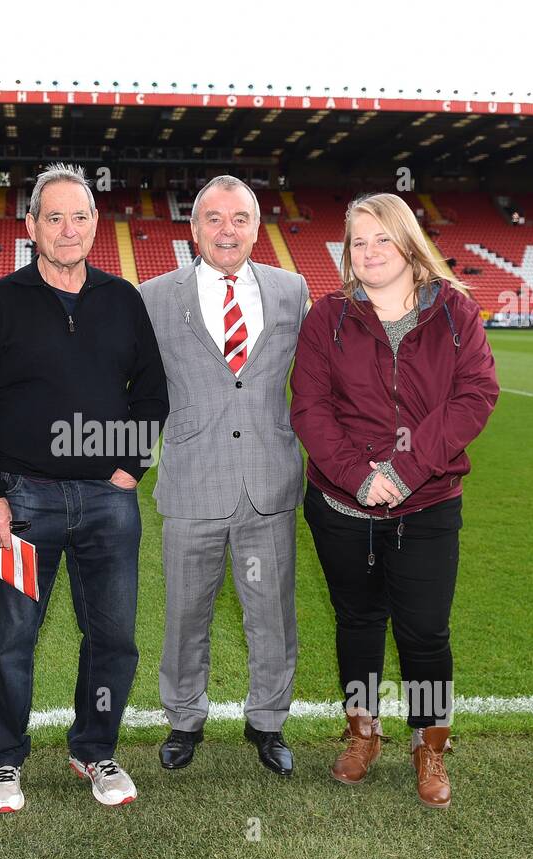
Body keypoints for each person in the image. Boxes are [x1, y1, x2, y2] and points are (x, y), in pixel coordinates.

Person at [0, 163, 169, 813]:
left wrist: (129, 468)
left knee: (113, 637)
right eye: (54, 217)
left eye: (79, 216)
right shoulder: (1, 301)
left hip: (109, 502)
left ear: (95, 225)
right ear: (31, 227)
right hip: (23, 500)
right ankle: (4, 761)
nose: (68, 229)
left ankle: (94, 749)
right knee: (14, 637)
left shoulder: (123, 298)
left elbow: (153, 394)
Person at [291, 192, 498, 808]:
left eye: (383, 237)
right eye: (359, 240)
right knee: (357, 623)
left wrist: (405, 471)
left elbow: (476, 396)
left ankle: (429, 743)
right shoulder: (327, 315)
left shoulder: (456, 312)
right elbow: (309, 406)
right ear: (347, 253)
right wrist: (359, 476)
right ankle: (364, 732)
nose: (371, 250)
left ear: (408, 242)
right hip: (341, 505)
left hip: (427, 502)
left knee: (426, 634)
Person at [138, 175, 310, 776]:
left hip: (269, 481)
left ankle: (268, 721)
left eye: (239, 218)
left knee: (273, 614)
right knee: (186, 612)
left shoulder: (292, 291)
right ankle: (184, 719)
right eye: (213, 218)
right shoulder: (155, 296)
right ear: (193, 228)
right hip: (191, 481)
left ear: (256, 227)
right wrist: (124, 461)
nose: (226, 229)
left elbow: (316, 384)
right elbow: (134, 390)